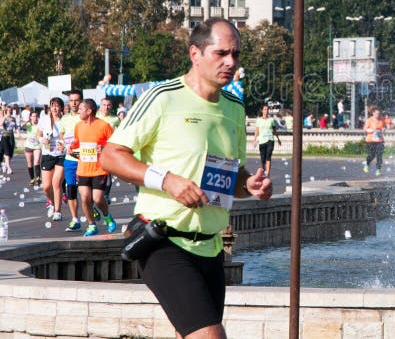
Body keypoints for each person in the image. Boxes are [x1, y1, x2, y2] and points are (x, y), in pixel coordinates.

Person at [102, 18, 273, 339]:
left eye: (236, 54)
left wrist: (249, 185)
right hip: (163, 242)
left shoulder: (235, 108)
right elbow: (111, 156)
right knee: (210, 336)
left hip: (210, 247)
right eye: (221, 53)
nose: (231, 62)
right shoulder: (162, 97)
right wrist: (166, 180)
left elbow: (232, 177)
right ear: (195, 54)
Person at [71, 98, 116, 237]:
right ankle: (91, 225)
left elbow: (115, 145)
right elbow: (76, 143)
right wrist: (70, 148)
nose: (78, 111)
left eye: (81, 108)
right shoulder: (78, 126)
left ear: (89, 111)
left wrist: (104, 148)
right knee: (85, 198)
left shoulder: (104, 126)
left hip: (99, 169)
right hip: (83, 169)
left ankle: (107, 216)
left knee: (97, 199)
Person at [38, 97, 66, 221]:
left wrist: (64, 144)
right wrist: (42, 139)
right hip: (47, 154)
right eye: (52, 105)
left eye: (57, 105)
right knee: (46, 187)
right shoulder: (44, 120)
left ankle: (58, 211)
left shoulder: (65, 121)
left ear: (61, 108)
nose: (55, 108)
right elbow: (38, 133)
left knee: (56, 183)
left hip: (61, 155)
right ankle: (53, 203)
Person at [61, 90, 84, 232]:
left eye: (76, 100)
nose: (74, 103)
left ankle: (92, 209)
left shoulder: (85, 118)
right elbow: (62, 135)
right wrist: (62, 144)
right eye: (71, 100)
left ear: (81, 101)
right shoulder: (65, 118)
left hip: (85, 159)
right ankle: (75, 220)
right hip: (70, 159)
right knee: (71, 190)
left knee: (85, 192)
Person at [253, 104, 281, 176]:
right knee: (263, 158)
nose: (266, 111)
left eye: (267, 109)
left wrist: (278, 139)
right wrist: (255, 140)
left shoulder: (271, 120)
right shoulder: (258, 120)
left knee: (268, 156)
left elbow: (274, 130)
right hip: (262, 140)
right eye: (265, 109)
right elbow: (257, 131)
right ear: (262, 111)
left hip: (270, 139)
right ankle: (263, 169)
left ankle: (268, 173)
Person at [363, 106, 386, 176]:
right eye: (376, 114)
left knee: (379, 155)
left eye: (379, 114)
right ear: (373, 113)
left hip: (380, 140)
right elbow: (365, 129)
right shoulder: (369, 120)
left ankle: (378, 170)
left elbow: (383, 128)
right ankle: (367, 164)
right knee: (372, 155)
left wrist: (383, 130)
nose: (377, 115)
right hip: (370, 140)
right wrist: (372, 130)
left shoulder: (382, 120)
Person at [23, 111, 42, 186]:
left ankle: (38, 178)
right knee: (30, 163)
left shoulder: (39, 125)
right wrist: (28, 121)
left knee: (37, 161)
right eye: (33, 116)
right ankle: (32, 179)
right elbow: (22, 126)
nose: (35, 118)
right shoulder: (28, 125)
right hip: (28, 146)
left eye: (36, 116)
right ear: (30, 117)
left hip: (37, 146)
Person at [0, 109, 16, 174]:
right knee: (6, 152)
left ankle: (5, 164)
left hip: (11, 136)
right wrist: (5, 117)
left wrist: (19, 134)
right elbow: (1, 124)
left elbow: (16, 127)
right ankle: (9, 168)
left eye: (10, 111)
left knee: (10, 153)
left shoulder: (13, 118)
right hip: (4, 136)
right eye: (8, 111)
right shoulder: (3, 118)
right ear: (6, 112)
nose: (10, 112)